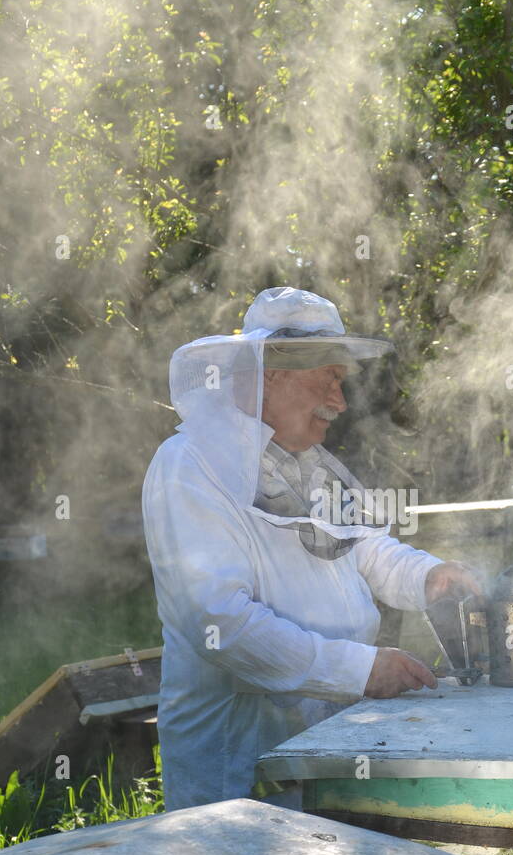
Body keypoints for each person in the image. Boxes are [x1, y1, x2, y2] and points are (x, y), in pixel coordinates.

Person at [142, 285, 481, 810]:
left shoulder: (305, 464)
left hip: (326, 737)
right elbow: (219, 624)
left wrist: (426, 575)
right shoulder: (189, 464)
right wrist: (358, 670)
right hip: (240, 767)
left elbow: (360, 545)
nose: (339, 403)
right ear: (270, 371)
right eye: (329, 379)